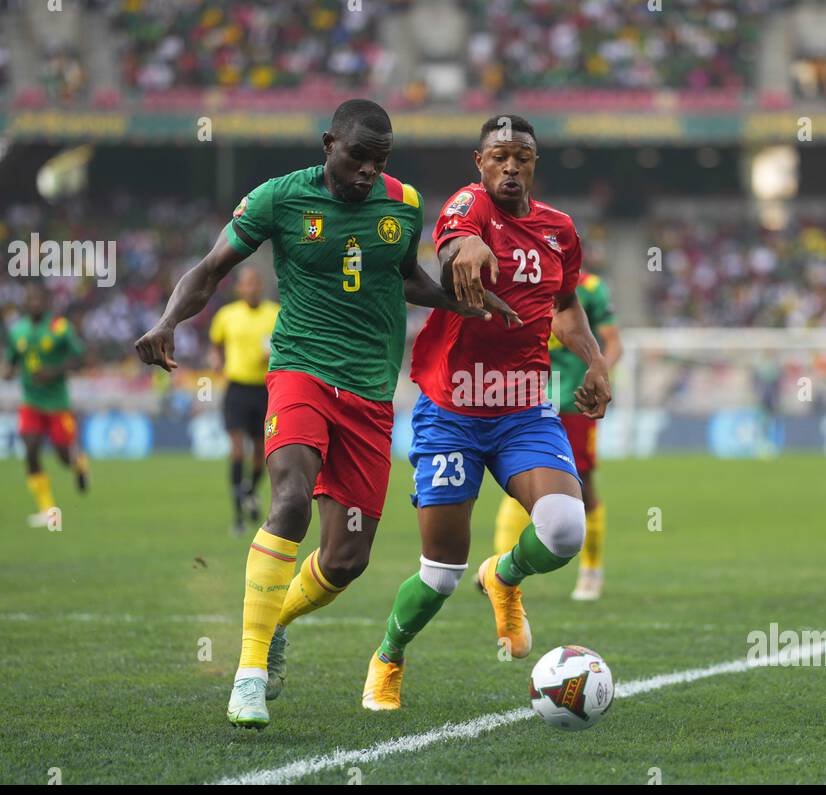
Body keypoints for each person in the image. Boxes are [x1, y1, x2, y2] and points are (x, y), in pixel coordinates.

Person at [134, 99, 513, 730]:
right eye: (359, 156)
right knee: (287, 501)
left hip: (369, 394)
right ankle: (249, 676)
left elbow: (406, 279)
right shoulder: (278, 199)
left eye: (380, 160)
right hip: (300, 373)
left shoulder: (404, 203)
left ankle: (274, 620)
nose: (369, 170)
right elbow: (210, 268)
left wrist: (467, 304)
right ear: (328, 143)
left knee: (346, 559)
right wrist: (168, 321)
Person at [362, 114, 611, 710]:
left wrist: (596, 361)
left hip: (523, 406)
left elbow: (566, 305)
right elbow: (455, 241)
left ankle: (503, 576)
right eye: (497, 156)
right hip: (452, 409)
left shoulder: (560, 231)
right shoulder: (467, 206)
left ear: (534, 163)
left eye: (520, 157)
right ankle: (388, 656)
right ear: (480, 162)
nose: (509, 166)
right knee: (442, 573)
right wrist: (465, 247)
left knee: (563, 529)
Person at [493, 270, 621, 600]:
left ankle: (591, 570)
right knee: (518, 481)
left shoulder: (590, 289)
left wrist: (601, 375)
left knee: (584, 482)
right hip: (529, 397)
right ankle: (500, 571)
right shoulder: (525, 279)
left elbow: (613, 343)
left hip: (574, 400)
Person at [4, 284, 88, 527]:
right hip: (31, 401)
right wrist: (9, 371)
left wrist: (54, 371)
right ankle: (48, 510)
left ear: (45, 302)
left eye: (37, 299)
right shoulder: (17, 331)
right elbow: (12, 360)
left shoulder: (59, 328)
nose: (34, 303)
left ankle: (79, 463)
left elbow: (79, 357)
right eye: (29, 299)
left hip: (57, 403)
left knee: (63, 456)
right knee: (30, 449)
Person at [209, 266, 279, 534]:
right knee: (237, 448)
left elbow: (282, 343)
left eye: (254, 283)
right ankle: (238, 514)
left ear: (260, 286)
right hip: (236, 388)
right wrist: (216, 359)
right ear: (239, 288)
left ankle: (250, 489)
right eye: (246, 284)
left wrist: (273, 355)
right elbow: (216, 343)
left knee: (261, 452)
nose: (250, 288)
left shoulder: (274, 313)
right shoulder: (227, 316)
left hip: (265, 389)